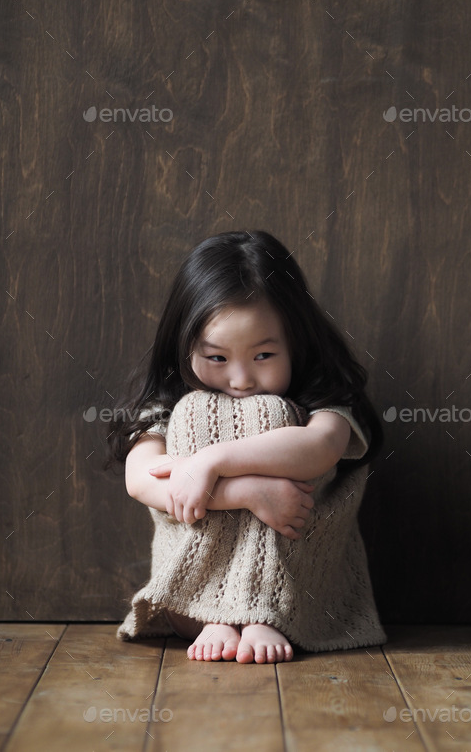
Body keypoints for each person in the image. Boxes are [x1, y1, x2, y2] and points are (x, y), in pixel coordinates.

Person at [106, 230, 387, 664]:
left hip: (292, 593)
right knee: (196, 410)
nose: (240, 380)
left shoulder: (324, 399)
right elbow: (140, 478)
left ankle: (260, 609)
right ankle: (216, 614)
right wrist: (249, 492)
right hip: (192, 596)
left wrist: (213, 460)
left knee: (273, 414)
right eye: (217, 358)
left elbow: (318, 446)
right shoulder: (168, 404)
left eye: (263, 356)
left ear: (296, 343)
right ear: (184, 347)